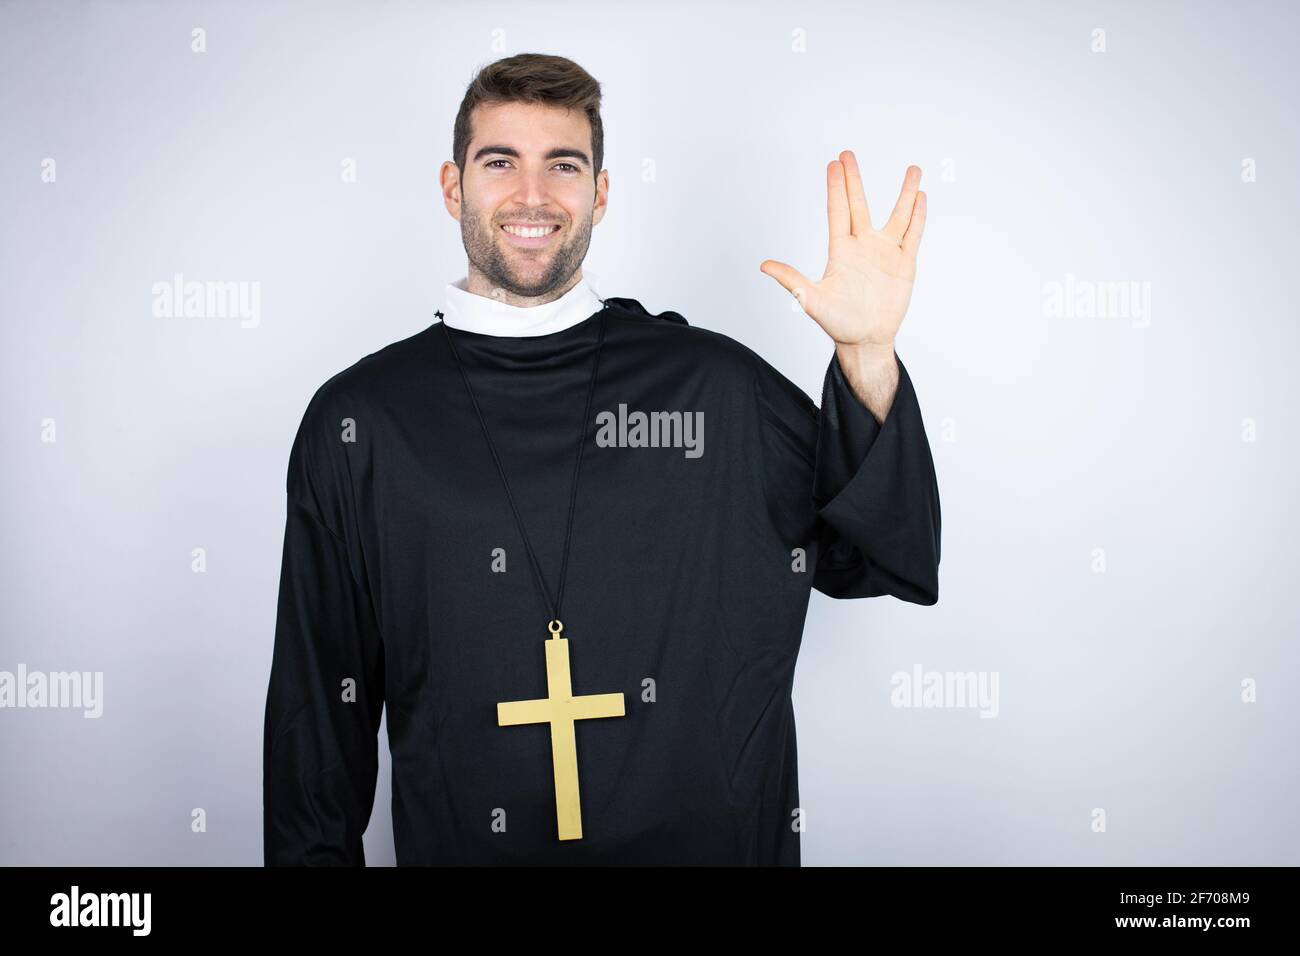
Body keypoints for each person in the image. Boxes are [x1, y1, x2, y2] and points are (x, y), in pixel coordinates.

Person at [263, 52, 940, 865]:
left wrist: (868, 356)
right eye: (500, 163)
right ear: (453, 187)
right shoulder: (362, 421)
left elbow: (875, 555)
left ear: (601, 193)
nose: (533, 196)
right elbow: (317, 729)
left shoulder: (714, 391)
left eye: (564, 166)